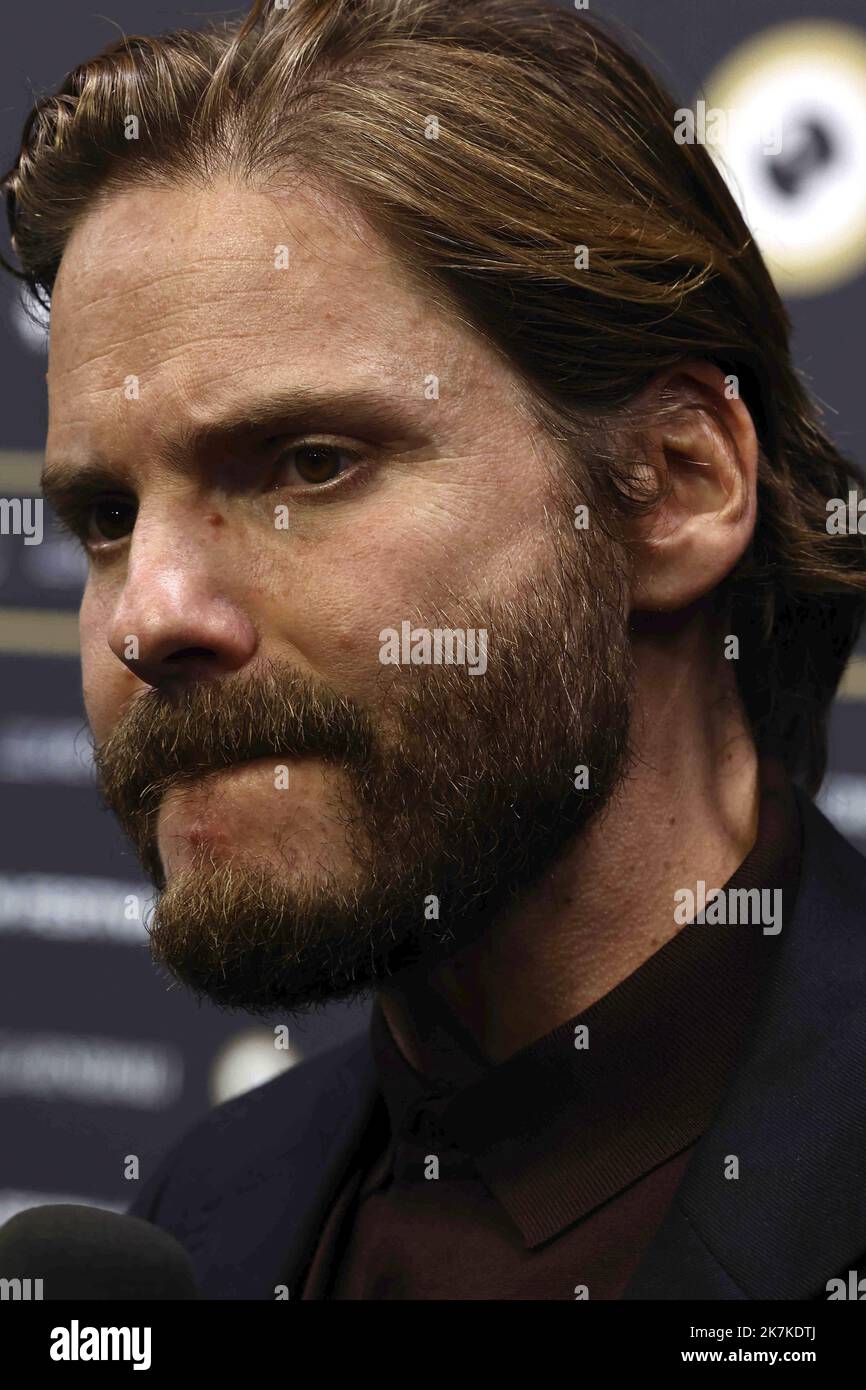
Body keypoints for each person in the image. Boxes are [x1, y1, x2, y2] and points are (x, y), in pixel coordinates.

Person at [4, 0, 866, 1299]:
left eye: (308, 464)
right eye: (108, 519)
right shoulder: (202, 1212)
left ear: (674, 485)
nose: (148, 615)